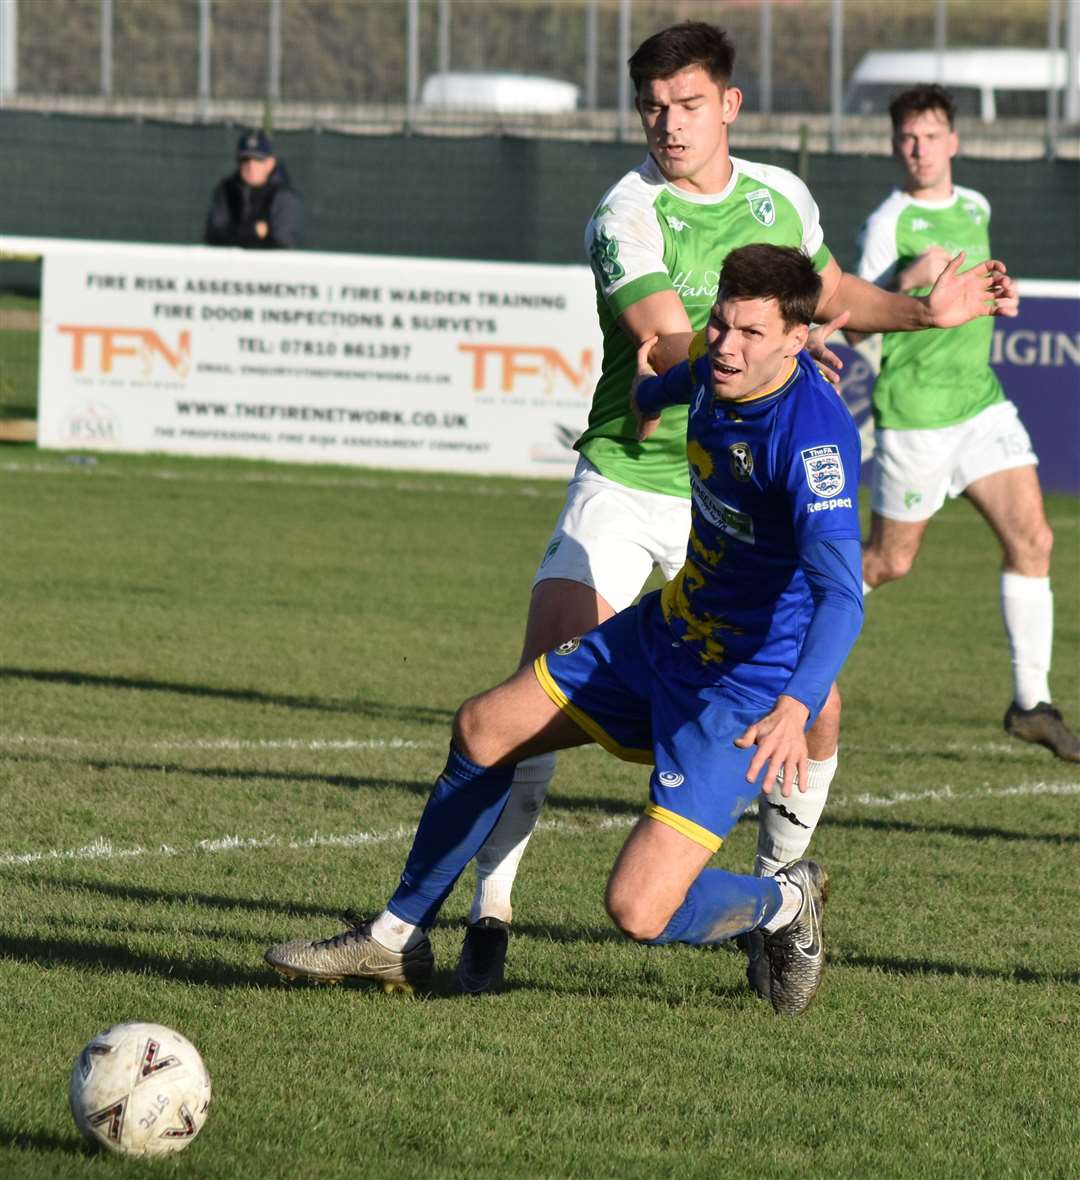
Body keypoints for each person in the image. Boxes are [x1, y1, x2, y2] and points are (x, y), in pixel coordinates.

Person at [451, 22, 1019, 997]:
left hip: (738, 497)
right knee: (539, 681)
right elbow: (667, 346)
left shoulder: (781, 198)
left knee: (820, 698)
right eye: (653, 108)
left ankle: (775, 903)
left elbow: (834, 293)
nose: (669, 126)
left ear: (728, 107)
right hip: (634, 477)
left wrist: (926, 311)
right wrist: (750, 357)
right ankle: (488, 921)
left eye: (687, 105)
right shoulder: (626, 211)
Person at [266, 244, 865, 1016]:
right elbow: (685, 376)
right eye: (719, 323)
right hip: (662, 636)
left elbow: (843, 596)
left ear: (795, 337)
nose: (725, 345)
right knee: (485, 728)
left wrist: (796, 704)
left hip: (738, 691)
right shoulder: (720, 374)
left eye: (750, 332)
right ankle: (396, 937)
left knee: (639, 911)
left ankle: (784, 906)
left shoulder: (811, 441)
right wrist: (654, 392)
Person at [853, 84, 1078, 762]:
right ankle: (781, 650)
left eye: (930, 136)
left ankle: (1031, 704)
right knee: (889, 562)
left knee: (1034, 538)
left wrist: (997, 296)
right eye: (907, 139)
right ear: (896, 146)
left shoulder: (976, 205)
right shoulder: (886, 222)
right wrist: (902, 277)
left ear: (953, 141)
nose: (919, 150)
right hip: (917, 414)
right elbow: (856, 312)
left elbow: (976, 286)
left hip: (979, 402)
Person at [204, 130, 303, 249]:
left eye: (258, 159)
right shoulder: (226, 190)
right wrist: (252, 232)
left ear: (270, 163)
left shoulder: (284, 196)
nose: (251, 166)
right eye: (245, 159)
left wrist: (237, 234)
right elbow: (213, 235)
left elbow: (283, 241)